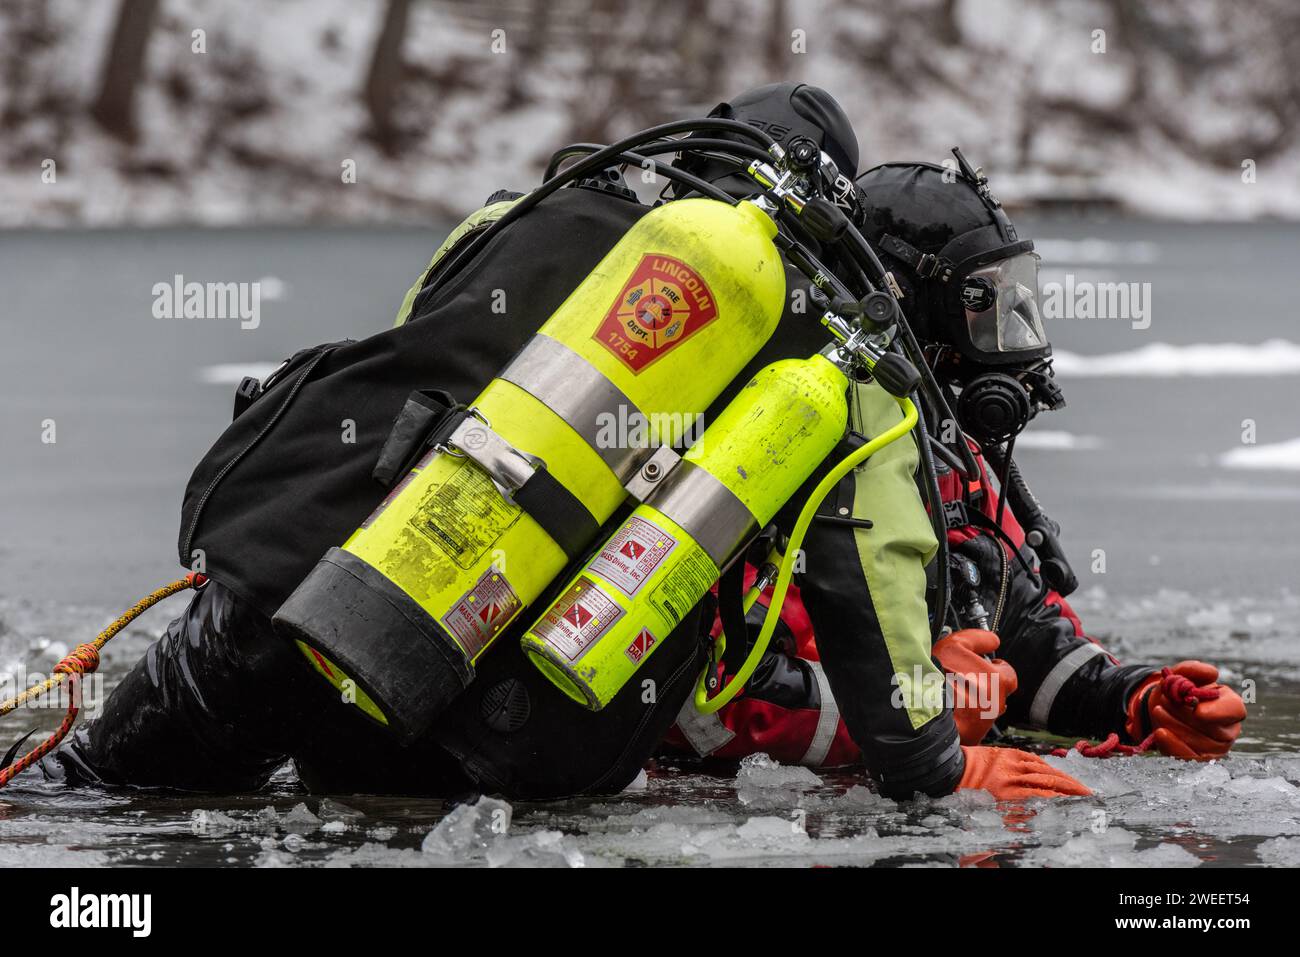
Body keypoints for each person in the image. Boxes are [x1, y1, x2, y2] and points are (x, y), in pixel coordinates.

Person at [37, 83, 1087, 803]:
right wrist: (934, 767)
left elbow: (423, 380)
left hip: (280, 590)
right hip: (476, 714)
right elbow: (868, 574)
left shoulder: (528, 215)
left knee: (78, 798)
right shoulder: (828, 347)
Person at [664, 158, 1247, 770]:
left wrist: (1135, 699)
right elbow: (699, 700)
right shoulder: (779, 450)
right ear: (907, 308)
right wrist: (920, 718)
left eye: (1013, 305)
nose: (1008, 346)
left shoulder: (943, 458)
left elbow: (1017, 628)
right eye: (981, 310)